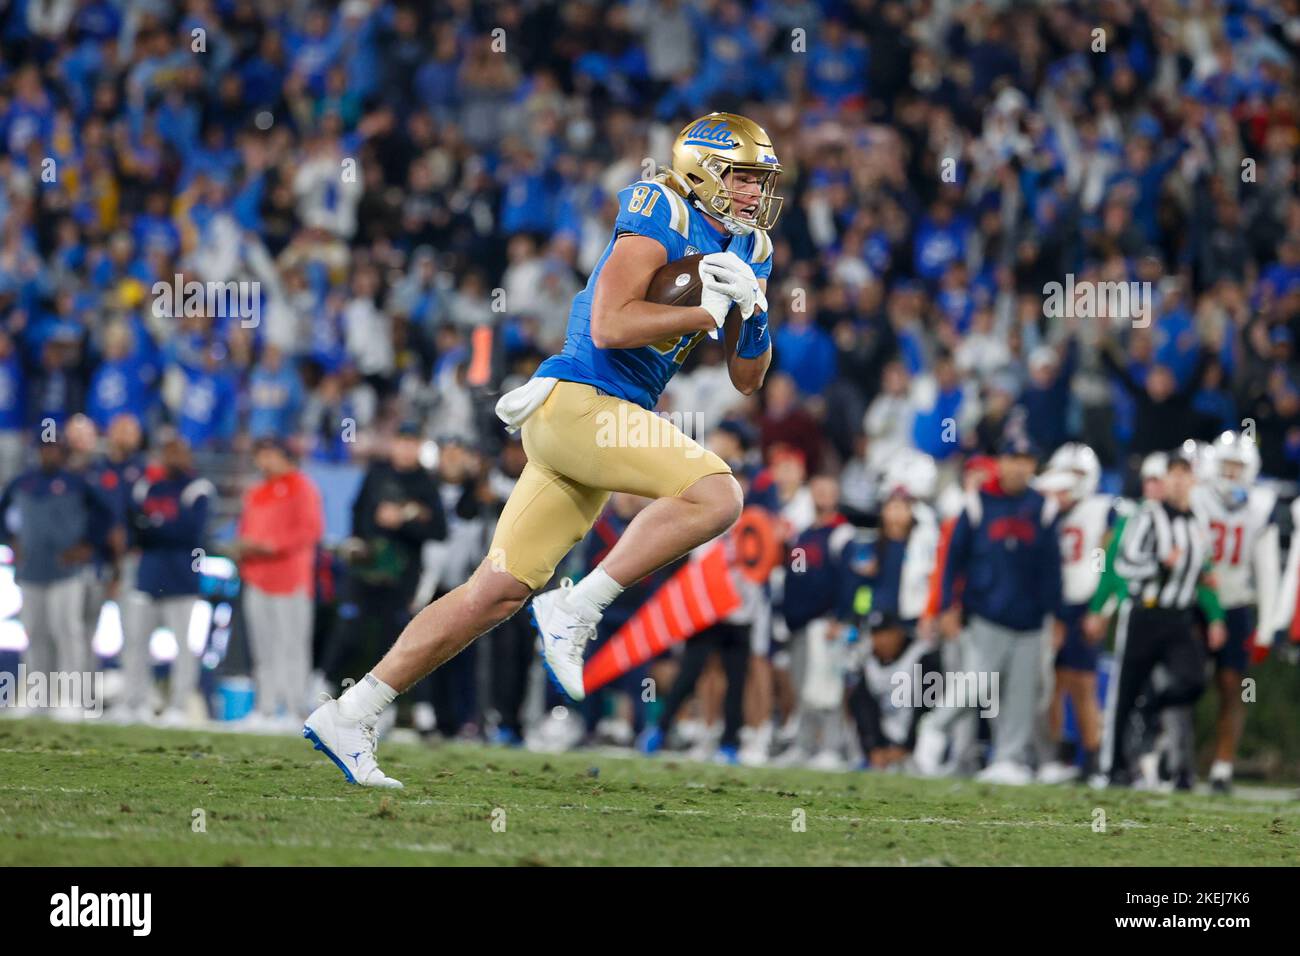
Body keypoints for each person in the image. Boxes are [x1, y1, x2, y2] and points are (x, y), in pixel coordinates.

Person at [305, 111, 781, 787]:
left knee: (495, 592)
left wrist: (754, 313)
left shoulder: (753, 247)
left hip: (605, 421)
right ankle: (577, 607)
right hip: (580, 402)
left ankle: (352, 711)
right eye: (741, 178)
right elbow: (612, 326)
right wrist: (705, 313)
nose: (753, 193)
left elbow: (748, 378)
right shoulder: (663, 207)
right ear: (704, 170)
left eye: (760, 180)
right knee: (717, 493)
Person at [935, 432, 1065, 785]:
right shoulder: (978, 503)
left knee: (1022, 693)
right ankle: (934, 731)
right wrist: (947, 605)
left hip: (1031, 617)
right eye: (1014, 459)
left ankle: (1008, 759)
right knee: (976, 684)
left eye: (1027, 461)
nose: (1020, 467)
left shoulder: (1044, 508)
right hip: (986, 613)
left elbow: (1053, 567)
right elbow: (952, 559)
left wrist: (1057, 616)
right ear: (1001, 462)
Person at [1099, 450, 1225, 789]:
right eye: (1173, 473)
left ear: (1194, 480)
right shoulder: (1146, 516)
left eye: (1185, 473)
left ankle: (1150, 709)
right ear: (1165, 479)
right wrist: (1159, 564)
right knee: (1126, 692)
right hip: (1146, 615)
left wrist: (1202, 579)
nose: (1179, 480)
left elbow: (1198, 564)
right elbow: (1125, 564)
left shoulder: (1198, 521)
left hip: (1179, 618)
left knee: (1194, 679)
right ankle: (1113, 768)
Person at [1189, 431, 1283, 794]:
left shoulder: (1259, 505)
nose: (1230, 473)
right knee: (1186, 680)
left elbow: (1268, 567)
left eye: (1237, 466)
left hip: (1237, 604)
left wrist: (1266, 627)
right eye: (1225, 465)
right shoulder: (1197, 497)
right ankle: (1169, 753)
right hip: (1195, 602)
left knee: (1233, 687)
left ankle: (1223, 765)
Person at [0, 429, 113, 713]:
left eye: (54, 448)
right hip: (31, 570)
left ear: (62, 452)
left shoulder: (77, 483)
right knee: (36, 634)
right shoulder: (22, 483)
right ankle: (39, 698)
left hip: (67, 570)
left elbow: (106, 515)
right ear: (38, 451)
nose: (49, 453)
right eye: (45, 448)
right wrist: (11, 541)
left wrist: (88, 545)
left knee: (68, 633)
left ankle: (71, 700)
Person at [1034, 443, 1115, 784]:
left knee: (1083, 683)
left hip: (1085, 603)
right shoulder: (1043, 509)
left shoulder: (1103, 509)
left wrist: (1103, 608)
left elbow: (1110, 563)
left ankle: (1093, 759)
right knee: (1049, 684)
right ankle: (1052, 756)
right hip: (1050, 604)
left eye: (1077, 474)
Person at [119, 435, 213, 724]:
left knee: (183, 646)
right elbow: (133, 527)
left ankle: (179, 705)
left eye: (178, 452)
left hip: (182, 578)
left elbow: (190, 532)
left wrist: (154, 527)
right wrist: (156, 528)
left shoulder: (198, 488)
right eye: (167, 452)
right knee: (135, 642)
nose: (172, 458)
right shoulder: (147, 486)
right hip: (148, 576)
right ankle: (134, 703)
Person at [232, 438, 325, 728]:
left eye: (270, 455)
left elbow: (311, 530)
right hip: (257, 577)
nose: (264, 462)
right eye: (260, 455)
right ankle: (266, 707)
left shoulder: (302, 487)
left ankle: (295, 709)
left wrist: (271, 546)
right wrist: (245, 549)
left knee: (292, 645)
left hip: (291, 578)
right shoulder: (256, 492)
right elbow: (245, 530)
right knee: (263, 646)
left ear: (286, 457)